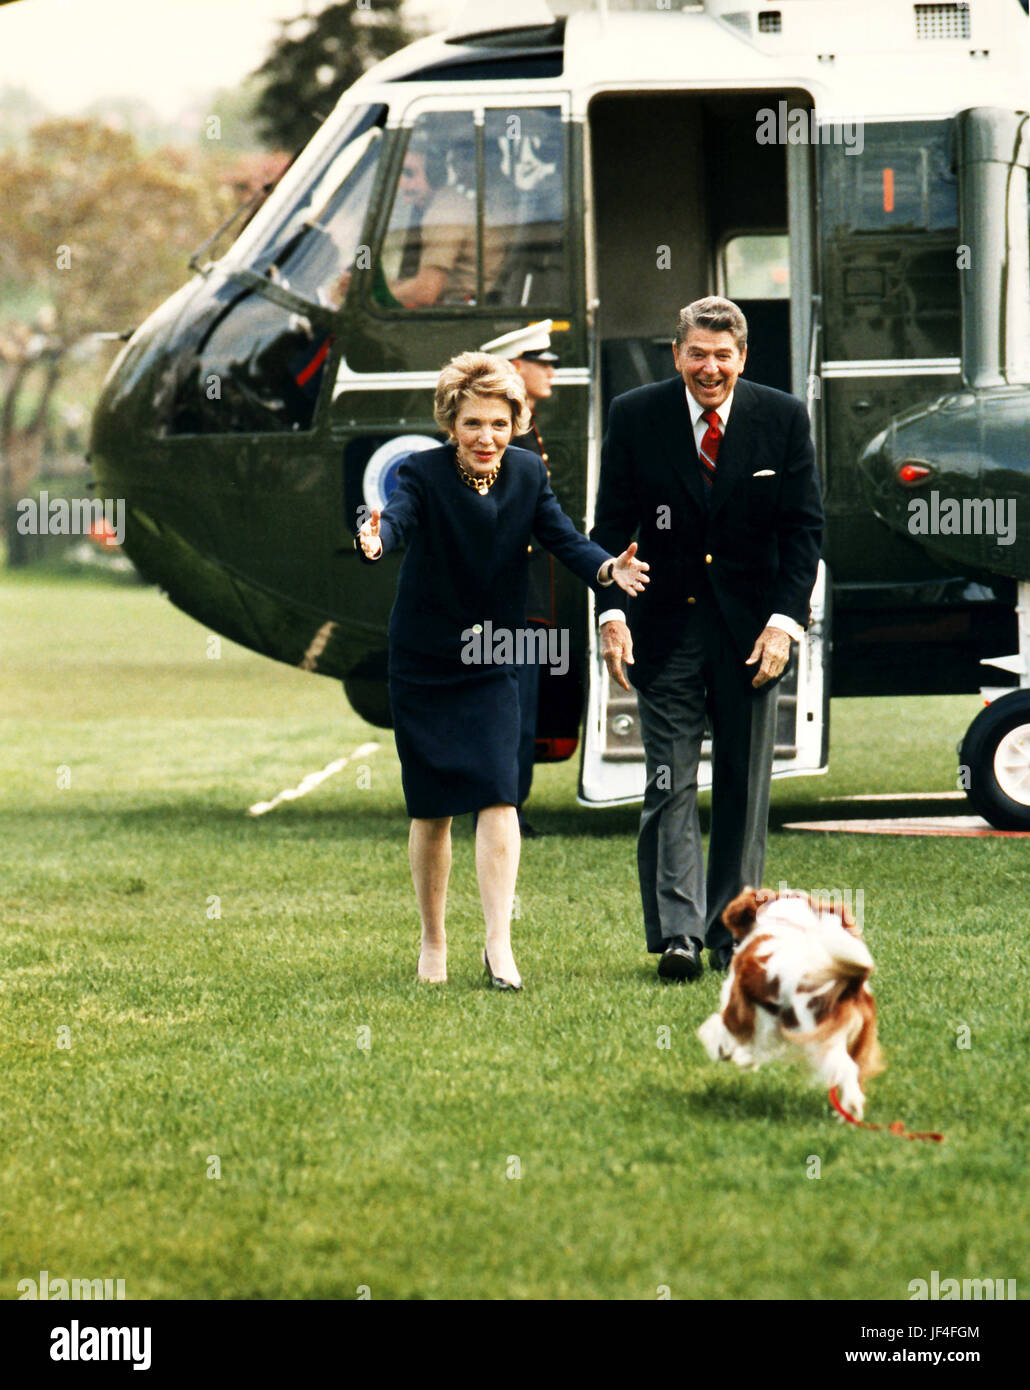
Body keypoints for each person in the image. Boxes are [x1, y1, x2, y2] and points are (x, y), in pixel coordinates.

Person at [357, 351, 649, 990]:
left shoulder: (526, 471)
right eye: (471, 424)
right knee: (433, 808)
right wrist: (376, 535)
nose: (485, 437)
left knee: (498, 791)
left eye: (497, 422)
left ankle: (499, 947)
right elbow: (396, 517)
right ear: (450, 425)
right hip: (426, 656)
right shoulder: (422, 474)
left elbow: (564, 538)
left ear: (516, 421)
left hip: (494, 653)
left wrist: (607, 571)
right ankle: (433, 942)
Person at [590, 296, 823, 982]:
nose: (710, 368)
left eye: (724, 356)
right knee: (669, 784)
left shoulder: (781, 418)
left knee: (745, 790)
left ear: (743, 358)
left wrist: (784, 624)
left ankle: (732, 933)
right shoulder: (636, 415)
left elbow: (802, 532)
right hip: (664, 632)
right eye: (698, 354)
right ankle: (679, 937)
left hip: (753, 637)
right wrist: (611, 616)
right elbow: (608, 532)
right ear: (677, 355)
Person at [480, 320, 560, 838]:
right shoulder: (501, 438)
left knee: (522, 714)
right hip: (504, 601)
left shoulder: (525, 432)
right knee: (506, 712)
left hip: (529, 600)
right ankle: (499, 808)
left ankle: (511, 807)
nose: (551, 369)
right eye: (542, 361)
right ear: (515, 369)